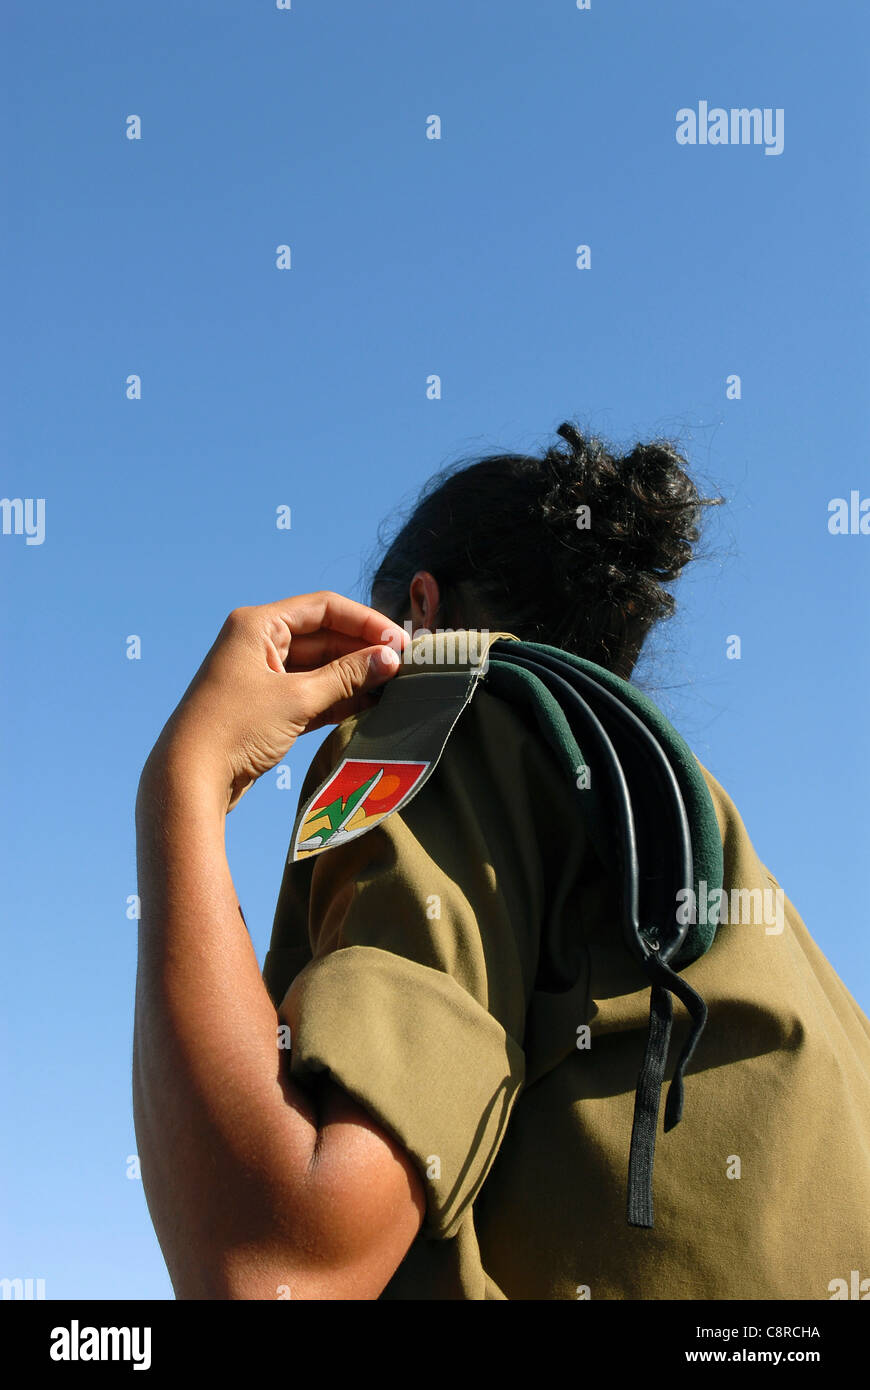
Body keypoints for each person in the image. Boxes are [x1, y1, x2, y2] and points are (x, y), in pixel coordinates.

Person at [134, 423, 870, 1300]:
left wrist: (186, 775)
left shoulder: (449, 708)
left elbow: (279, 1263)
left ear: (418, 614)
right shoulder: (770, 929)